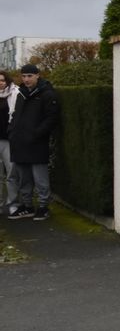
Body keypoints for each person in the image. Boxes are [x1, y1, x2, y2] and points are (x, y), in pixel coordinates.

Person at [7, 64, 60, 221]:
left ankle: (43, 207)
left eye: (30, 76)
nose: (26, 79)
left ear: (38, 75)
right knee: (24, 178)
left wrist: (36, 134)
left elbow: (51, 118)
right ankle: (27, 206)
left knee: (40, 177)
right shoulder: (21, 94)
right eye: (24, 76)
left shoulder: (48, 94)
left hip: (37, 143)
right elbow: (16, 115)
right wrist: (12, 131)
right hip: (19, 142)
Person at [0, 70, 19, 216]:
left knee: (11, 173)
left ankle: (13, 204)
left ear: (7, 81)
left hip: (8, 140)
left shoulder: (15, 94)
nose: (0, 83)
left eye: (2, 80)